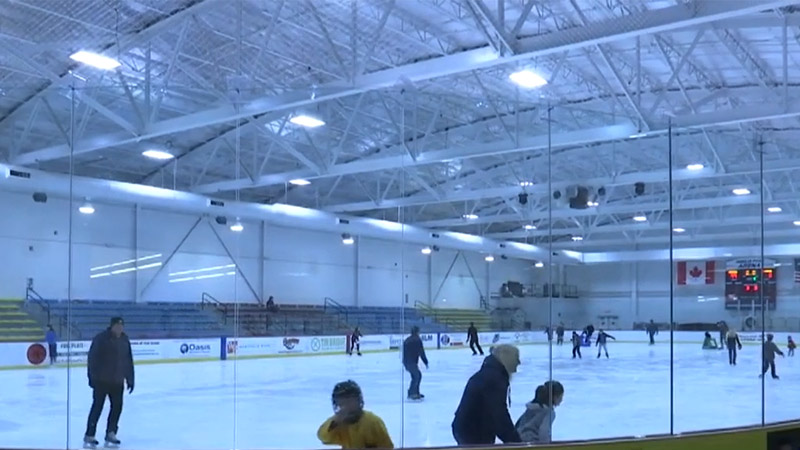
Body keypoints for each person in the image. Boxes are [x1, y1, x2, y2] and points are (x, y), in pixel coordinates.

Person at [452, 344, 522, 445]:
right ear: (507, 358)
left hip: (471, 428)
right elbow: (499, 415)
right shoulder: (494, 378)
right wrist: (516, 443)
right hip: (473, 432)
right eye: (516, 358)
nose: (519, 362)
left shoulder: (491, 373)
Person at [84, 317, 134, 448]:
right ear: (111, 326)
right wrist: (92, 377)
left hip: (117, 381)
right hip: (102, 380)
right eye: (117, 326)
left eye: (121, 326)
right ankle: (90, 434)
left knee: (117, 408)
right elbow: (92, 358)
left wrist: (130, 378)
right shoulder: (101, 339)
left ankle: (111, 432)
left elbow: (128, 360)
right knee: (97, 407)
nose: (120, 328)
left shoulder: (124, 340)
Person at [317, 380, 393, 449]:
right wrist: (334, 423)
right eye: (342, 403)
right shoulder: (339, 421)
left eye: (350, 402)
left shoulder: (372, 421)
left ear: (359, 401)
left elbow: (388, 446)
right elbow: (323, 437)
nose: (347, 407)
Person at [403, 326, 428, 400]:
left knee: (416, 376)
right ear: (417, 332)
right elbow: (421, 352)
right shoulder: (417, 340)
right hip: (411, 362)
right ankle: (413, 393)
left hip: (407, 361)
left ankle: (414, 392)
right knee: (417, 376)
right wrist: (425, 361)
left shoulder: (407, 340)